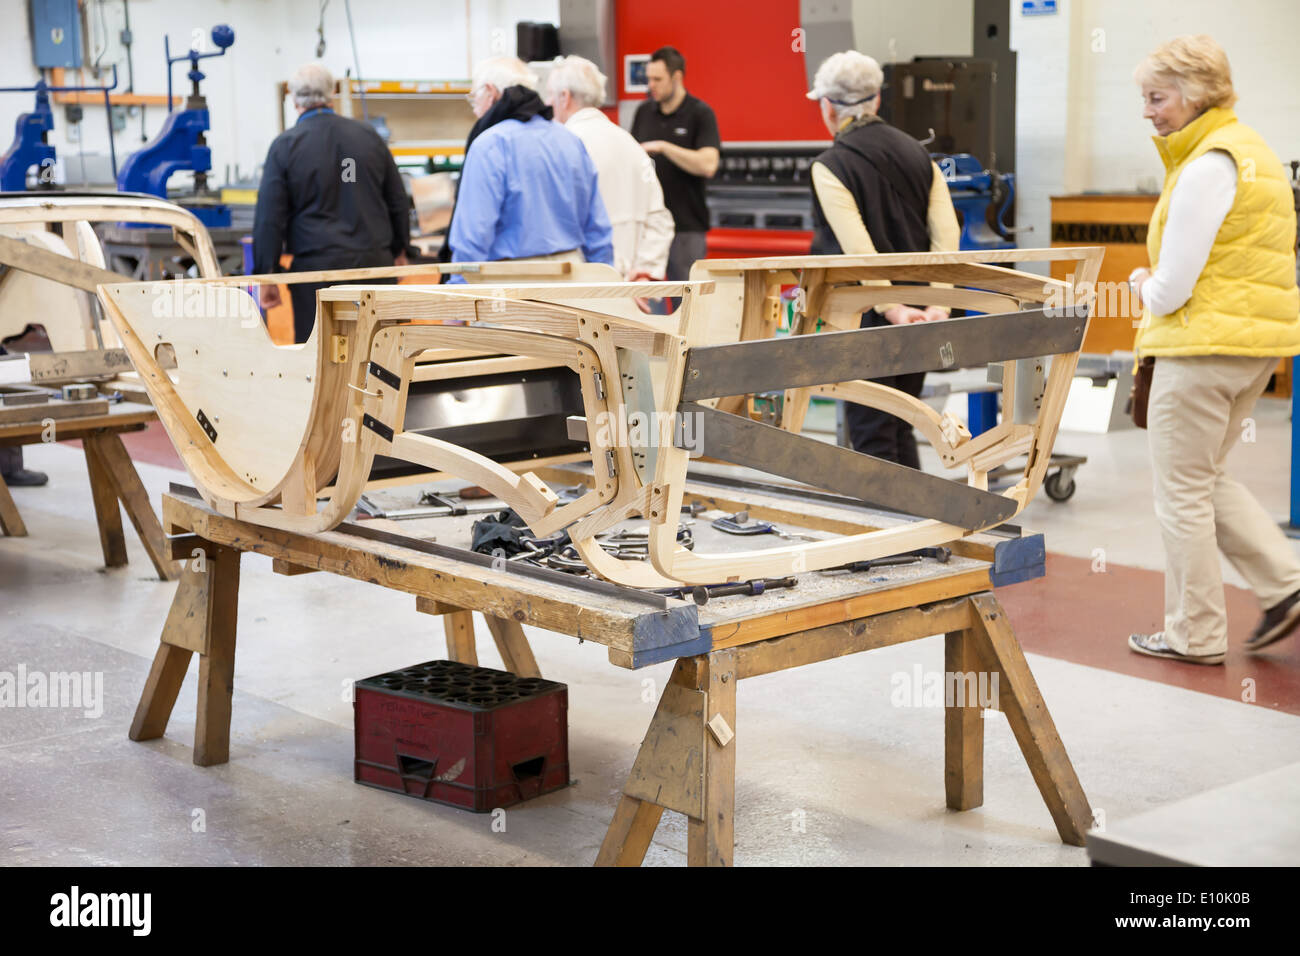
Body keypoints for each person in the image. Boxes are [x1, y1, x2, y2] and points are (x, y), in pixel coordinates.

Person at [1126, 35, 1300, 664]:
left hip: (1200, 348)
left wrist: (1140, 283)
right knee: (1206, 477)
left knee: (1180, 494)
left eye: (1157, 97)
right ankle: (1286, 585)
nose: (1148, 111)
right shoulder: (1254, 152)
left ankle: (1194, 635)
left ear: (1196, 93)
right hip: (1253, 347)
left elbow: (1171, 290)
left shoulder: (1206, 165)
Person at [805, 50, 960, 467]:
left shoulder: (830, 165)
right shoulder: (919, 155)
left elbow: (858, 250)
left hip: (865, 316)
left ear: (830, 107)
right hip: (920, 317)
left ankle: (892, 527)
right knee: (900, 420)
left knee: (871, 433)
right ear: (875, 100)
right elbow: (947, 236)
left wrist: (891, 308)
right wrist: (936, 305)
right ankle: (917, 525)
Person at [252, 63, 410, 343]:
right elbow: (397, 199)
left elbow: (269, 218)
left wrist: (267, 274)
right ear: (333, 93)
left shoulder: (285, 146)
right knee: (383, 357)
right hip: (375, 267)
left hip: (317, 276)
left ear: (293, 98)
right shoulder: (369, 137)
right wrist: (400, 249)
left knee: (322, 361)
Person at [448, 57, 613, 274]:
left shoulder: (490, 146)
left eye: (474, 99)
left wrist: (460, 289)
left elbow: (472, 237)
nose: (476, 110)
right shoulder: (570, 141)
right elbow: (597, 230)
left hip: (512, 280)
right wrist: (606, 283)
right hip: (573, 274)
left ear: (490, 92)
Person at [546, 55, 673, 281]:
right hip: (627, 290)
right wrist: (644, 272)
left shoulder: (561, 145)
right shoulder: (630, 144)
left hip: (578, 287)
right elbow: (660, 219)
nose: (548, 103)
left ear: (564, 97)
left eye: (550, 95)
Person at [631, 46, 719, 283]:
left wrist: (664, 147)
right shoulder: (643, 112)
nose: (651, 85)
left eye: (658, 79)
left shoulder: (700, 113)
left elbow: (708, 164)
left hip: (686, 229)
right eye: (649, 79)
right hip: (649, 229)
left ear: (677, 77)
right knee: (647, 308)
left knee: (688, 303)